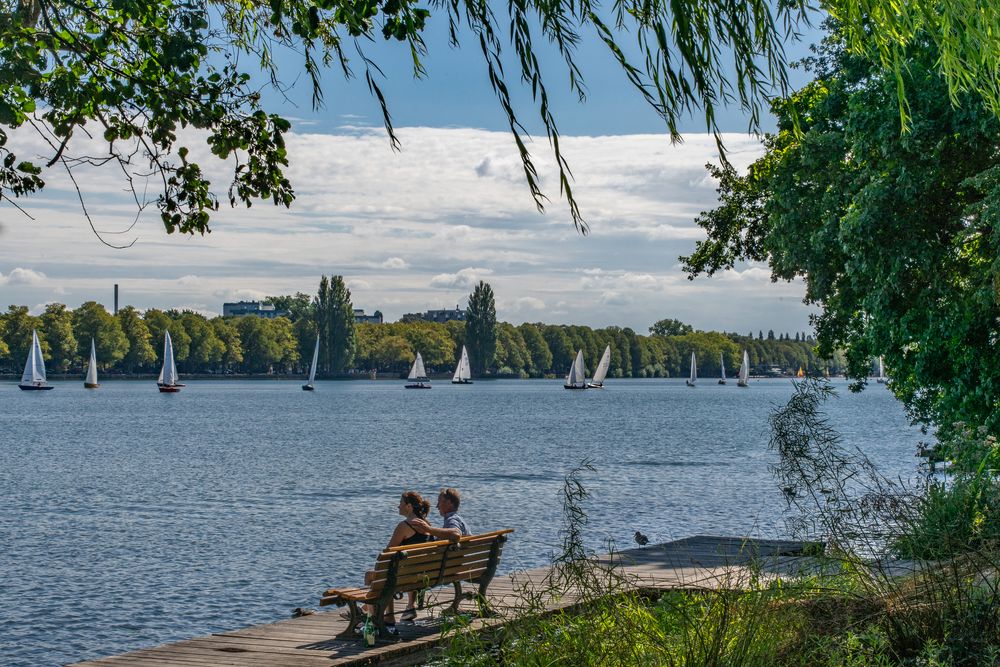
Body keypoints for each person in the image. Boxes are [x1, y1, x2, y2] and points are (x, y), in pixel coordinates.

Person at [361, 491, 432, 632]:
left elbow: (387, 553)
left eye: (400, 503)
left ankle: (377, 617)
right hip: (420, 576)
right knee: (389, 573)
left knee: (372, 575)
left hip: (403, 577)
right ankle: (375, 612)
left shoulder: (404, 526)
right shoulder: (427, 525)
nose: (398, 506)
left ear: (409, 506)